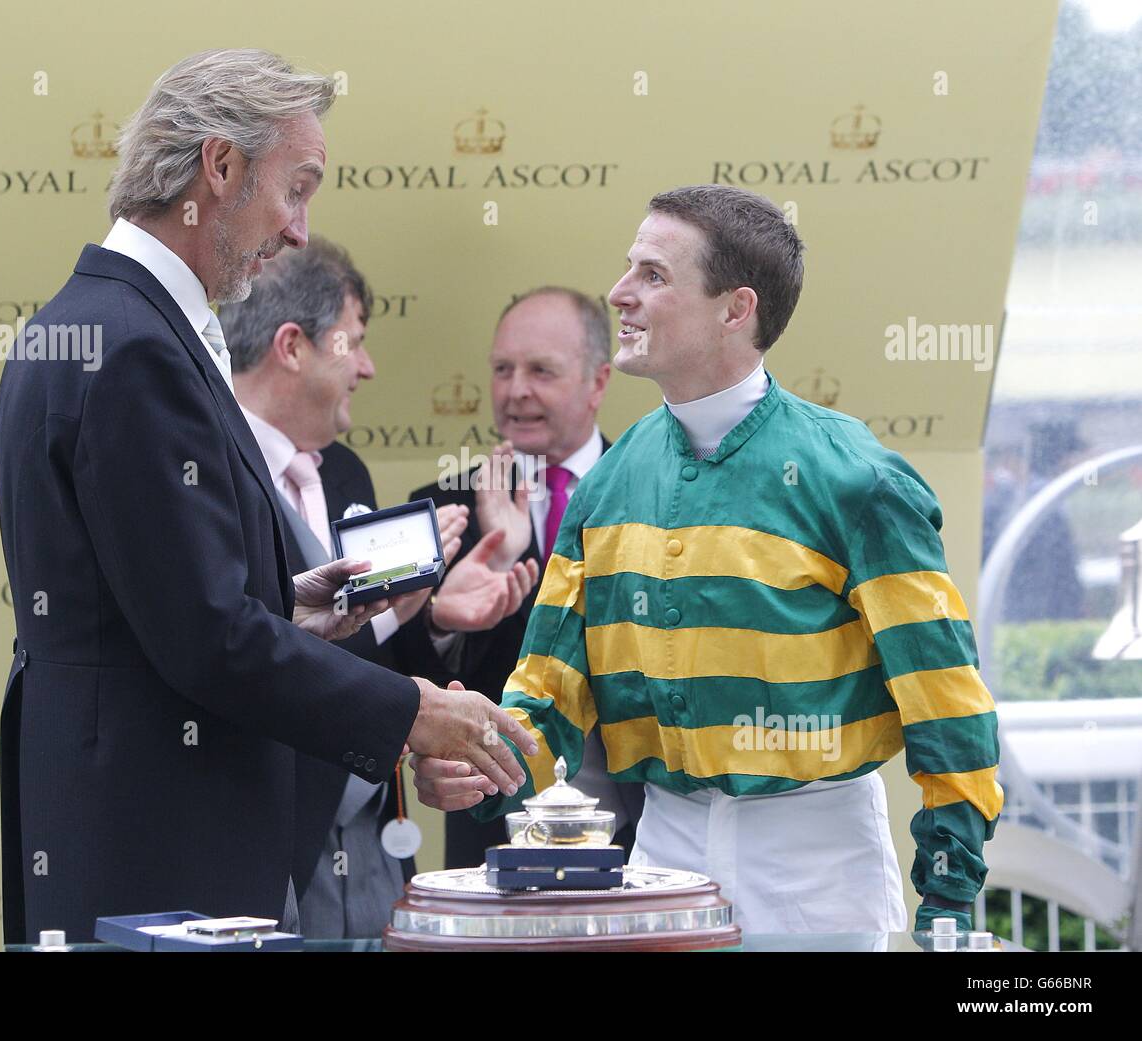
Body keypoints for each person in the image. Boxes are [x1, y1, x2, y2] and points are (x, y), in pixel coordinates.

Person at [0, 49, 533, 944]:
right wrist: (418, 711)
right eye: (297, 188)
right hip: (161, 855)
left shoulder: (93, 322)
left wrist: (290, 607)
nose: (297, 231)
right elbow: (204, 641)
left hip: (129, 833)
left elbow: (152, 607)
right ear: (220, 167)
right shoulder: (136, 348)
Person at [412, 185, 1003, 935]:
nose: (620, 294)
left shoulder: (856, 476)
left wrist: (948, 894)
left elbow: (946, 700)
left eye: (653, 275)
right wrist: (479, 770)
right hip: (661, 854)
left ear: (736, 309)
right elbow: (548, 697)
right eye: (629, 269)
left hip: (819, 869)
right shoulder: (607, 485)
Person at [221, 237, 538, 936]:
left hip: (367, 844)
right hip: (255, 843)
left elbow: (352, 651)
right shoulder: (206, 473)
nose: (368, 366)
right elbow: (238, 648)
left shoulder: (345, 474)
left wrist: (432, 620)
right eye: (354, 342)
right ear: (293, 346)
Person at [395, 287, 644, 867]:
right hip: (494, 832)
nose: (516, 391)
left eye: (541, 371)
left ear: (598, 382)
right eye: (503, 370)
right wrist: (447, 616)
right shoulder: (442, 506)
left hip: (643, 829)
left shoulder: (650, 494)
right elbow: (407, 677)